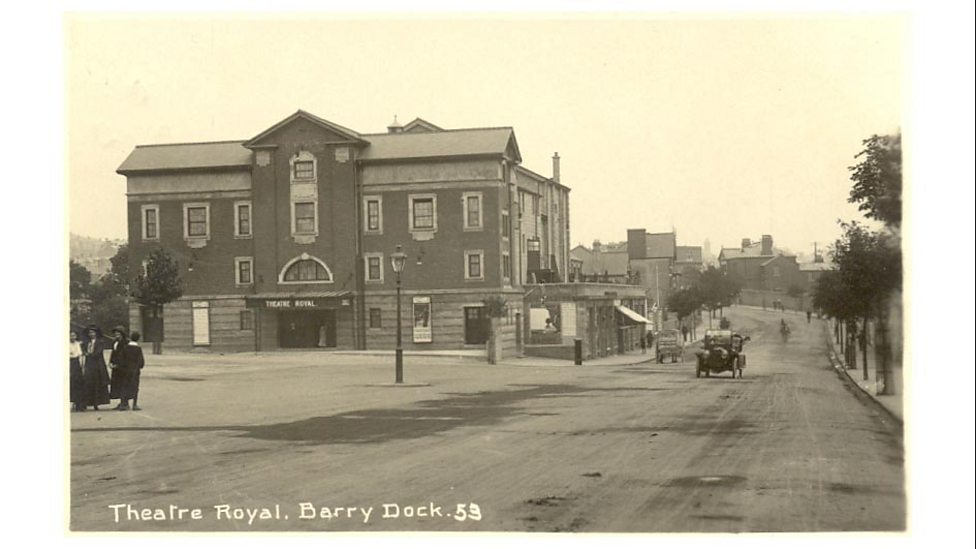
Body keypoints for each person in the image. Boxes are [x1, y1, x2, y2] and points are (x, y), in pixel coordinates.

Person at [82, 325, 110, 411]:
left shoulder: (100, 342)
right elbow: (83, 350)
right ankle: (87, 402)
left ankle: (96, 403)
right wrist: (85, 353)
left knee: (97, 383)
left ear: (96, 333)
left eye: (93, 332)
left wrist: (89, 354)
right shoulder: (87, 342)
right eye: (90, 332)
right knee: (88, 382)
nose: (91, 334)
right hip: (89, 365)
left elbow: (98, 353)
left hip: (97, 365)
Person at [109, 326, 131, 410]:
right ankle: (121, 402)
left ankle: (125, 403)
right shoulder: (114, 342)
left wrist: (119, 364)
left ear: (122, 333)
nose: (116, 334)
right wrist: (111, 362)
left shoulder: (126, 342)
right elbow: (113, 353)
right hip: (116, 366)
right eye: (115, 333)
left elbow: (125, 355)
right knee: (117, 384)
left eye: (118, 332)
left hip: (123, 367)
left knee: (124, 384)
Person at [124, 331, 146, 411]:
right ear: (138, 339)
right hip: (135, 371)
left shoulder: (126, 348)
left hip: (126, 370)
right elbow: (141, 362)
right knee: (135, 387)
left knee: (126, 386)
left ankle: (126, 404)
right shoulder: (138, 349)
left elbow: (122, 359)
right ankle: (134, 404)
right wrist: (139, 367)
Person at [69, 331, 85, 412]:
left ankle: (79, 404)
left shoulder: (78, 344)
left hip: (77, 364)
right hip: (70, 364)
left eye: (74, 335)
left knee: (79, 383)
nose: (72, 337)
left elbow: (80, 354)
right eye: (71, 335)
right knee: (71, 384)